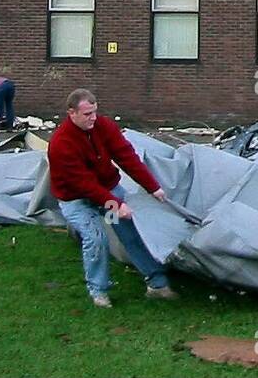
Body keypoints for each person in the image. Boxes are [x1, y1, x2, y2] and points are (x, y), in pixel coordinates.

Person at [47, 88, 178, 308]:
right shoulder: (61, 144)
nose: (93, 118)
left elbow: (126, 156)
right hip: (77, 199)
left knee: (132, 232)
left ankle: (157, 284)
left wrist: (152, 187)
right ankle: (99, 291)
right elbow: (84, 184)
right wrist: (116, 205)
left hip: (107, 190)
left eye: (95, 112)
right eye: (87, 114)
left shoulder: (104, 127)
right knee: (96, 239)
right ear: (72, 113)